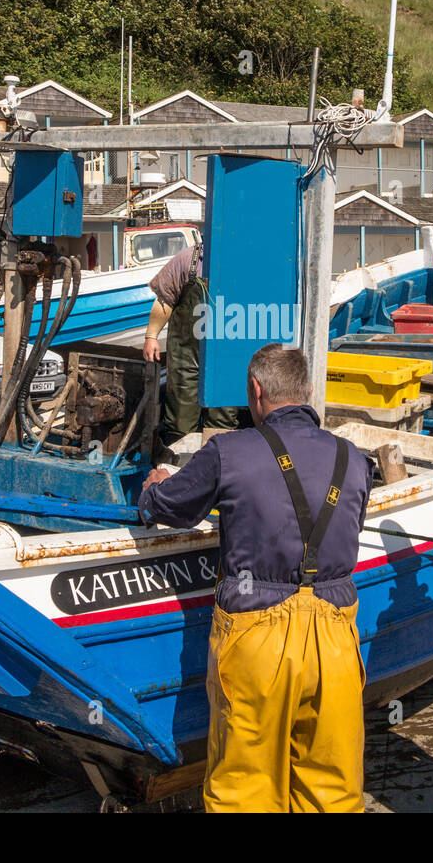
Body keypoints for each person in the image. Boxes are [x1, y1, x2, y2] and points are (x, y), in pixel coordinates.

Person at [139, 343, 375, 812]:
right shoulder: (354, 459)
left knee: (245, 787)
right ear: (308, 391)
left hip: (255, 633)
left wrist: (152, 486)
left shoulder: (227, 451)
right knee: (333, 786)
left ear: (255, 390)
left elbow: (172, 507)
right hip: (335, 633)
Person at [142, 241, 238, 446]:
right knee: (180, 420)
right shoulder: (187, 260)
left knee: (223, 422)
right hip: (186, 358)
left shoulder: (242, 261)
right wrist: (151, 336)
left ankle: (218, 467)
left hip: (226, 360)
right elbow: (164, 300)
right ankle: (178, 468)